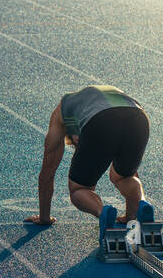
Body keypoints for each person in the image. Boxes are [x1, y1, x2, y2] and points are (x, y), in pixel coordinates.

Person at [23, 84, 154, 241]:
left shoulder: (60, 114)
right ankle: (143, 205)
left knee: (79, 188)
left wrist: (45, 218)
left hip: (102, 120)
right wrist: (130, 215)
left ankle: (102, 212)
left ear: (72, 135)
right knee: (124, 176)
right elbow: (131, 172)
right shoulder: (85, 101)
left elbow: (47, 172)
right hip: (138, 118)